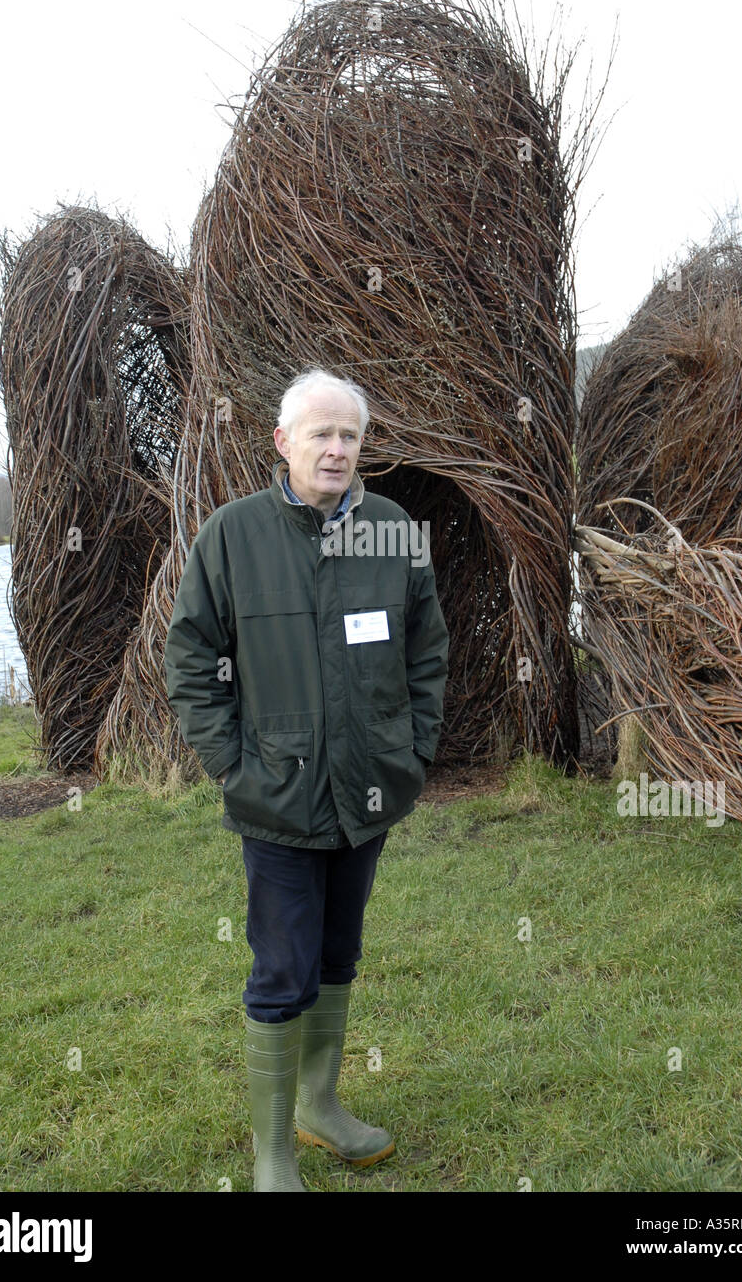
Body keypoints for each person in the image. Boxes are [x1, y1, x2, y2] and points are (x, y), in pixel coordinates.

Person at [163, 367, 450, 1191]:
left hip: (369, 791)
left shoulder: (394, 530)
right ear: (283, 442)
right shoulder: (232, 535)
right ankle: (273, 1154)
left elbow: (427, 651)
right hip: (276, 797)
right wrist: (230, 762)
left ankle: (321, 1107)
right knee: (282, 966)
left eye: (349, 435)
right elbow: (190, 658)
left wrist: (412, 748)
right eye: (319, 433)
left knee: (338, 952)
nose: (335, 449)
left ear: (363, 446)